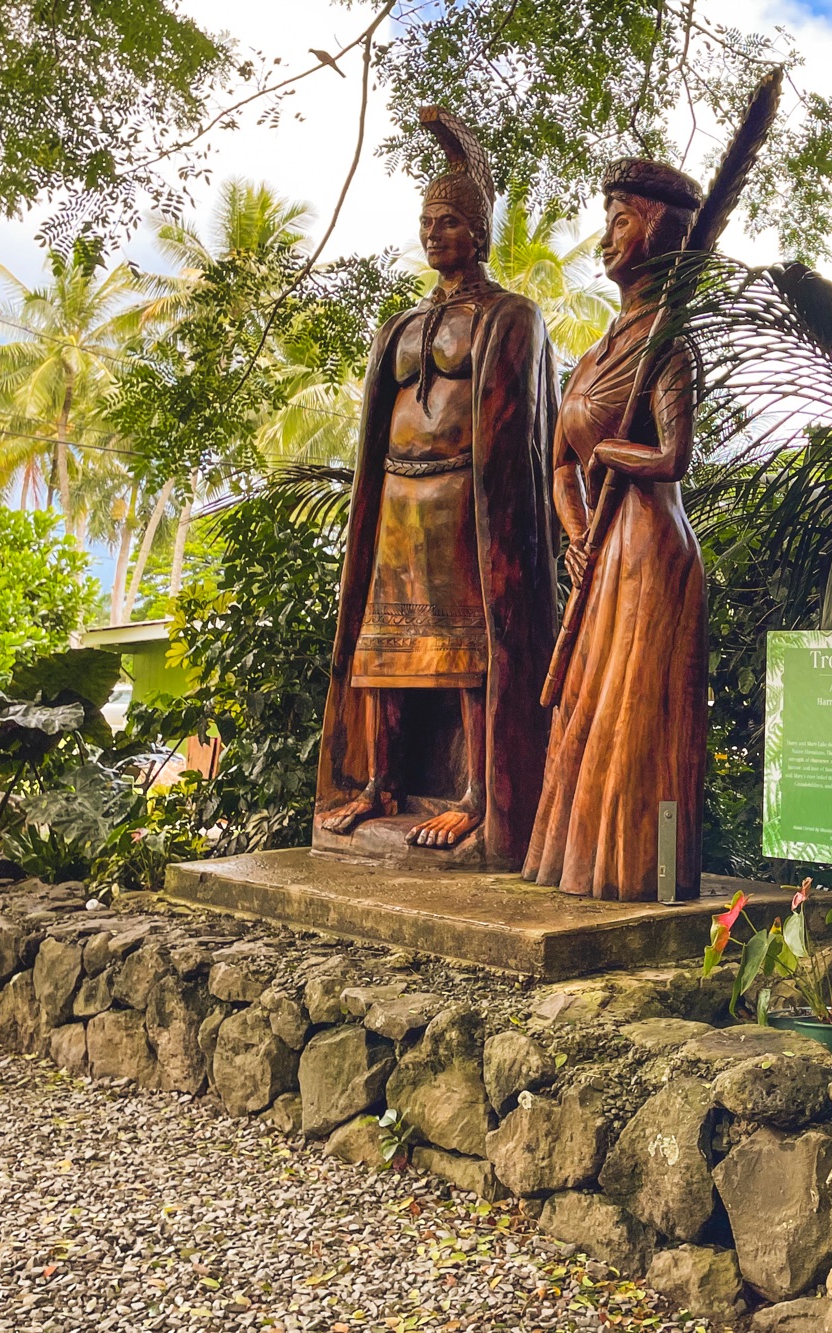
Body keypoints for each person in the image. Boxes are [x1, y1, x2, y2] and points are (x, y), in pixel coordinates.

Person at [314, 108, 557, 868]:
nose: (432, 232)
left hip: (465, 503)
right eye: (425, 220)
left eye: (448, 220)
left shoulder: (509, 314)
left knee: (470, 652)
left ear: (479, 233)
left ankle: (479, 794)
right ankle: (384, 781)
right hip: (395, 503)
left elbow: (520, 425)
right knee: (383, 650)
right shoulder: (402, 323)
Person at [524, 158, 708, 900]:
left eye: (621, 221)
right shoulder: (597, 354)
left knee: (638, 718)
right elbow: (559, 464)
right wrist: (575, 533)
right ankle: (577, 862)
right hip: (601, 556)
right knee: (584, 711)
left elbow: (673, 457)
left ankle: (644, 871)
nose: (605, 239)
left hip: (652, 553)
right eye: (606, 221)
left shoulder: (669, 345)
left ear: (658, 232)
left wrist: (612, 452)